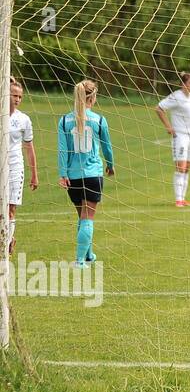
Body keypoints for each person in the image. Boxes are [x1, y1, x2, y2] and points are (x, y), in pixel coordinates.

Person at [57, 80, 114, 268]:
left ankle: (88, 254)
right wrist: (110, 164)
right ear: (94, 97)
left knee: (82, 216)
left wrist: (62, 173)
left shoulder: (64, 120)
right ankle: (80, 261)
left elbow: (62, 150)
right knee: (87, 217)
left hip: (73, 176)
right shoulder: (98, 120)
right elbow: (107, 147)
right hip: (92, 175)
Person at [155, 72, 190, 208]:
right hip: (180, 136)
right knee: (180, 167)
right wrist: (168, 126)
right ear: (183, 84)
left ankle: (183, 198)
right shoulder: (176, 96)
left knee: (187, 167)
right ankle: (178, 199)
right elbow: (159, 108)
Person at [6, 79, 38, 256]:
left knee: (11, 208)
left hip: (15, 167)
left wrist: (34, 173)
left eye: (20, 96)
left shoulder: (23, 119)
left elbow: (29, 147)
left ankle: (7, 243)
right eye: (14, 95)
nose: (17, 99)